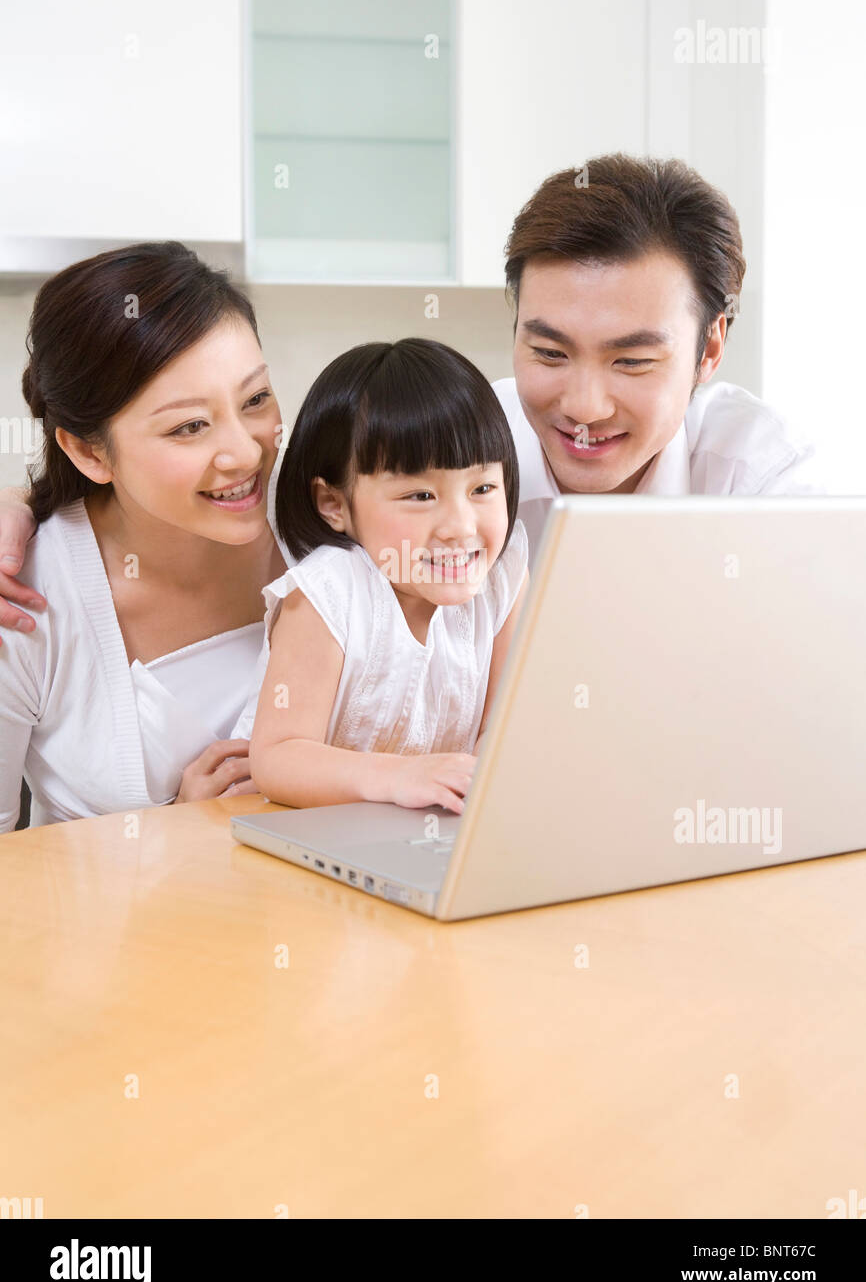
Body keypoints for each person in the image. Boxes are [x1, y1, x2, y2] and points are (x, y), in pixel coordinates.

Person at [0, 241, 287, 832]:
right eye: (189, 427)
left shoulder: (336, 518)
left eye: (255, 399)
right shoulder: (25, 606)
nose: (245, 451)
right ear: (88, 451)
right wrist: (178, 832)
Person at [233, 338, 529, 815]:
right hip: (299, 829)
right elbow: (277, 758)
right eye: (419, 496)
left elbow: (505, 723)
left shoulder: (502, 576)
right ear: (334, 504)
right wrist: (402, 776)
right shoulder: (329, 593)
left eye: (482, 488)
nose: (460, 527)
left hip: (417, 834)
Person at [495, 154, 825, 562]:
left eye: (631, 361)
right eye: (550, 353)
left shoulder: (760, 477)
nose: (584, 408)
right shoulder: (448, 448)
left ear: (709, 349)